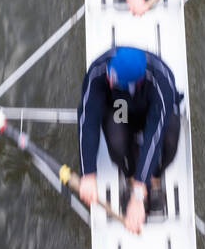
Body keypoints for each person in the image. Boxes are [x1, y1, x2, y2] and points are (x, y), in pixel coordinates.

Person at [76, 46, 181, 231]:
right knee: (117, 141)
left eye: (114, 78)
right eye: (110, 74)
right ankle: (131, 176)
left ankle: (153, 179)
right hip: (122, 105)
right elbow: (88, 119)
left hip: (153, 109)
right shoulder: (100, 72)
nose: (108, 79)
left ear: (138, 80)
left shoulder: (162, 82)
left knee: (170, 141)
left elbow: (154, 136)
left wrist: (140, 193)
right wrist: (88, 174)